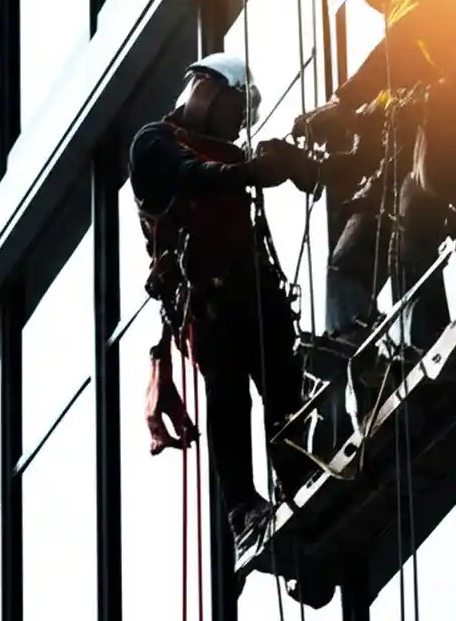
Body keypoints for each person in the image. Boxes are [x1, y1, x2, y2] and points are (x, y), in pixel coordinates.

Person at [257, 0, 456, 456]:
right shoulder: (396, 60)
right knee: (347, 263)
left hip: (449, 144)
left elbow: (400, 45)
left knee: (409, 244)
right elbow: (364, 152)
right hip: (408, 162)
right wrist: (302, 162)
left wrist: (342, 100)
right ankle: (370, 356)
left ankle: (428, 348)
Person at [129, 52, 317, 553]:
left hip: (253, 290)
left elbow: (232, 174)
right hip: (208, 301)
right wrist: (257, 171)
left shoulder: (229, 159)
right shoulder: (154, 144)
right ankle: (242, 507)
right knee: (229, 392)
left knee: (283, 384)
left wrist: (299, 163)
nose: (236, 131)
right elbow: (191, 176)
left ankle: (298, 479)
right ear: (210, 90)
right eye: (235, 114)